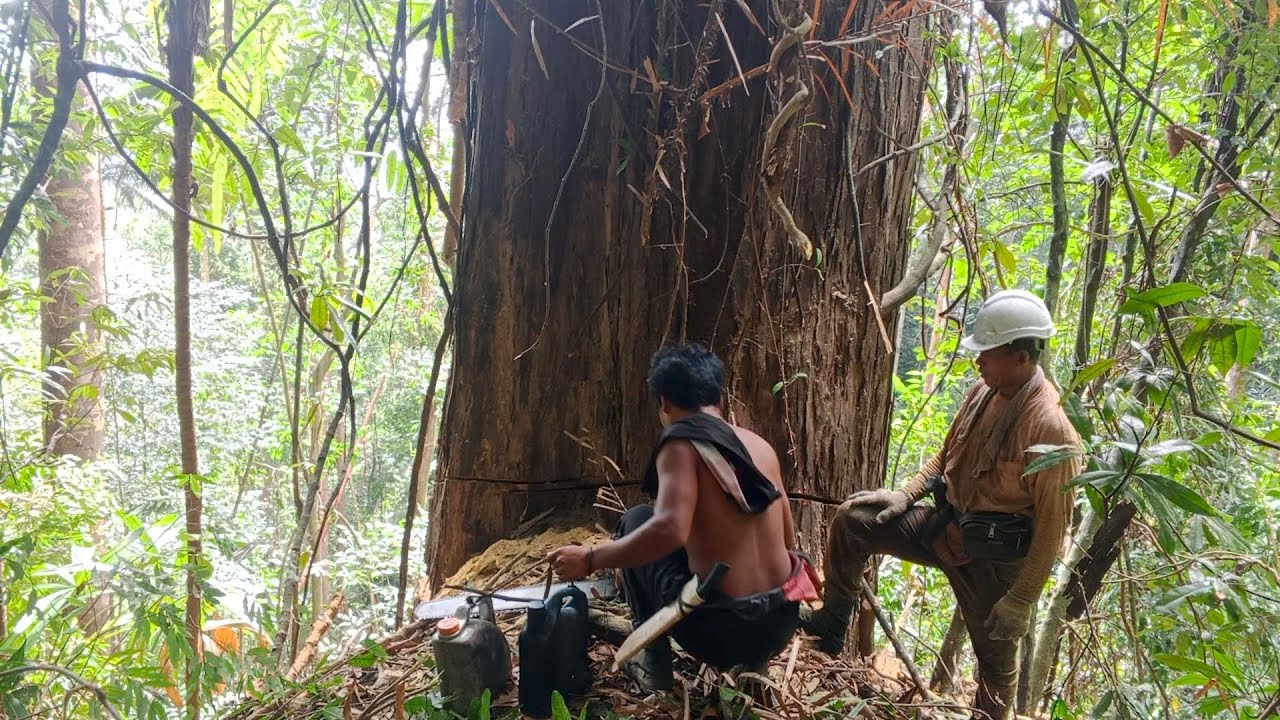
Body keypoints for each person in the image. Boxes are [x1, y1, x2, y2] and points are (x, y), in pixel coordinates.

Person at [800, 289, 1082, 720]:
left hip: (994, 561)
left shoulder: (1051, 429)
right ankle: (832, 624)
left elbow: (1052, 526)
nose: (979, 361)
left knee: (995, 667)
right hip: (947, 527)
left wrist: (1021, 599)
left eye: (988, 353)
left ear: (1022, 356)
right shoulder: (982, 392)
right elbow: (946, 454)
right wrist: (905, 494)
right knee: (854, 521)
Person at [548, 342, 819, 692]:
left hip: (719, 633)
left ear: (664, 402)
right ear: (717, 398)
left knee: (637, 520)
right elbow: (786, 539)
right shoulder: (759, 447)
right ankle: (756, 665)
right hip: (780, 623)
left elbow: (669, 530)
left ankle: (653, 663)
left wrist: (590, 559)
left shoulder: (679, 444)